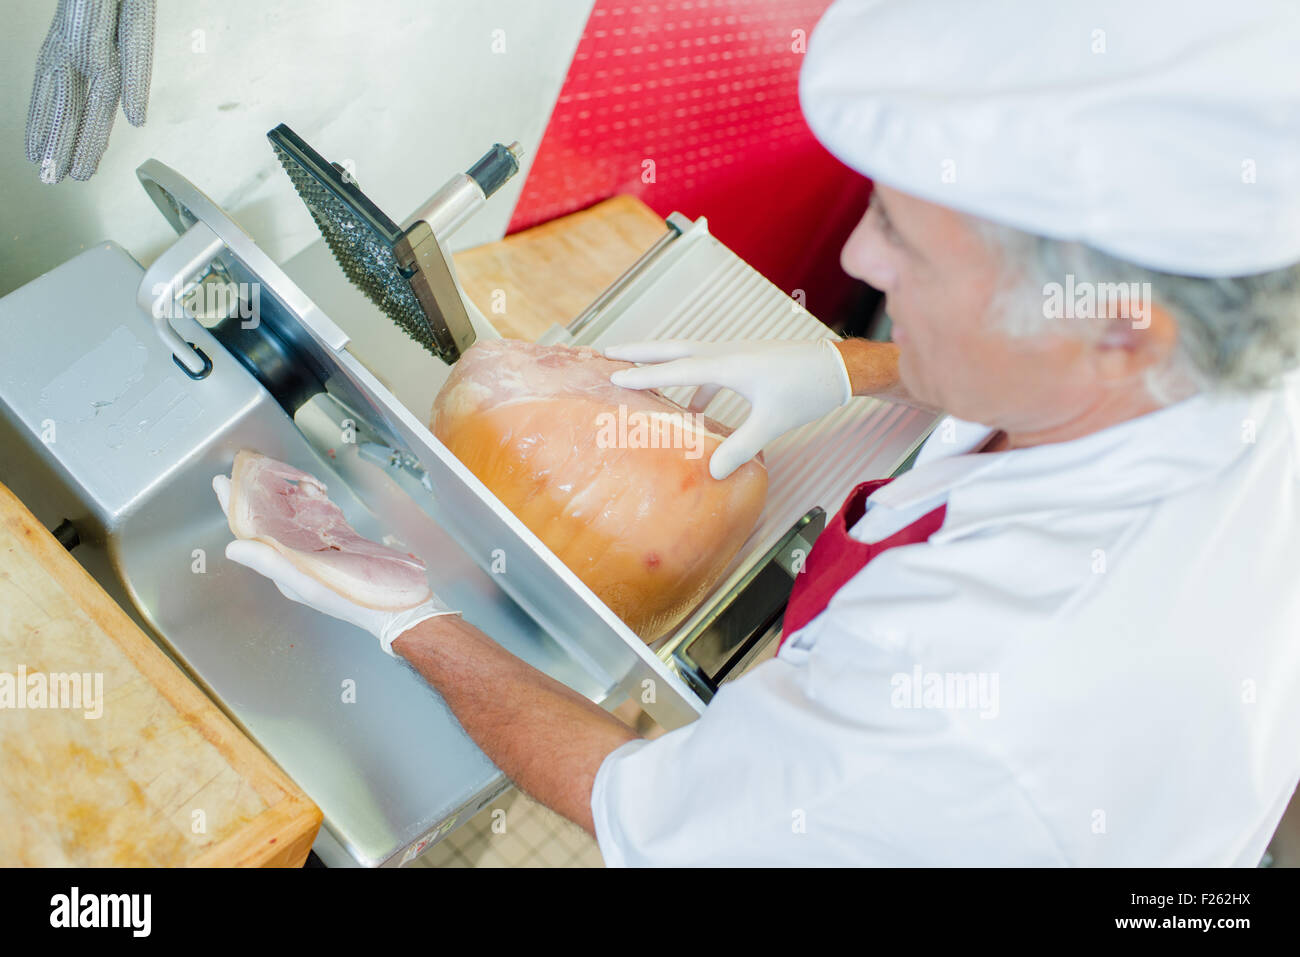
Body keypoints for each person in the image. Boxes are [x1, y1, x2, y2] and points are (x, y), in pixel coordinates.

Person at [216, 0, 1300, 865]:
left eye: (909, 244)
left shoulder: (970, 706)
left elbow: (637, 806)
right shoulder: (1223, 319)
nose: (862, 266)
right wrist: (844, 366)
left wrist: (409, 617)